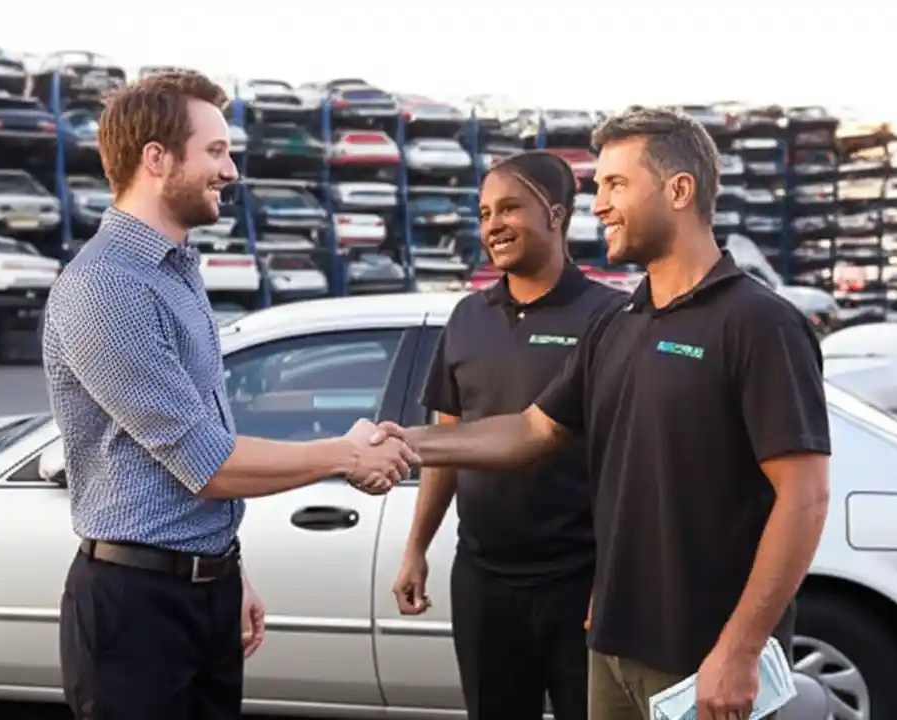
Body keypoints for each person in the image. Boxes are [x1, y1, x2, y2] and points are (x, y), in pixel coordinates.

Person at [373, 107, 831, 720]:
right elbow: (532, 430)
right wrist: (404, 441)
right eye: (597, 188)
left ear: (679, 189)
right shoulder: (618, 324)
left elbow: (803, 498)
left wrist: (740, 650)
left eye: (615, 185)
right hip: (612, 644)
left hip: (701, 656)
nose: (598, 205)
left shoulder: (759, 323)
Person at [41, 70, 418, 720]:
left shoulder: (177, 273)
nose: (231, 170)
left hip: (200, 592)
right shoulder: (106, 287)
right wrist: (347, 455)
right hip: (136, 608)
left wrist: (225, 567)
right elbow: (206, 463)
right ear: (156, 160)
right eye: (214, 151)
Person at [391, 150, 625, 720]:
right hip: (484, 580)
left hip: (581, 580)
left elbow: (628, 464)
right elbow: (448, 446)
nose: (493, 224)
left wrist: (615, 580)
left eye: (510, 208)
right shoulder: (467, 318)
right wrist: (416, 548)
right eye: (484, 212)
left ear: (557, 215)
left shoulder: (612, 318)